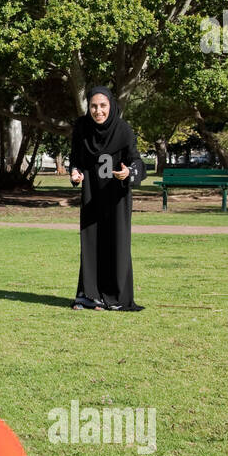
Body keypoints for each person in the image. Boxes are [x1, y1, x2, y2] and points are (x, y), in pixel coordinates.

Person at [67, 86, 146, 311]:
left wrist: (129, 172)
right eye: (93, 106)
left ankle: (116, 298)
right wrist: (75, 172)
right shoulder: (82, 127)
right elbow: (76, 159)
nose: (98, 111)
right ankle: (89, 296)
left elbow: (137, 162)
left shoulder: (123, 130)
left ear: (111, 106)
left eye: (103, 106)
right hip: (92, 195)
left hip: (116, 197)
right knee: (91, 245)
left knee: (116, 244)